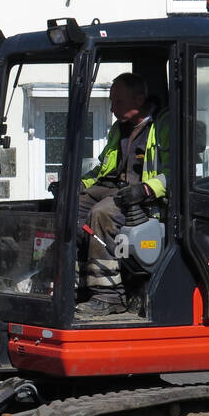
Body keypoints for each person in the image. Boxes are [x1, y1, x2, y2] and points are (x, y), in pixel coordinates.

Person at [73, 72, 167, 314]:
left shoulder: (164, 126)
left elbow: (177, 173)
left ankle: (109, 295)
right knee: (70, 209)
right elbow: (105, 165)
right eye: (112, 101)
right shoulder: (119, 127)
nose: (113, 108)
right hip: (115, 187)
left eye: (119, 102)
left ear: (139, 98)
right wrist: (79, 185)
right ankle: (77, 283)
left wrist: (146, 188)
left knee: (102, 213)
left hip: (146, 197)